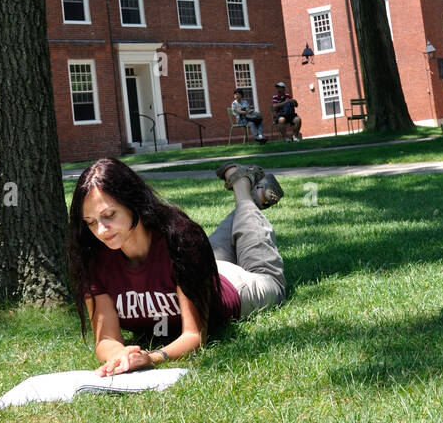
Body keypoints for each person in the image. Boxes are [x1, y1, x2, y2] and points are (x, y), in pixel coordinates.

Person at [69, 157, 287, 375]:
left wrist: (152, 357)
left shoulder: (180, 239)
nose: (101, 230)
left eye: (109, 215)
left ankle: (242, 187)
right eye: (91, 222)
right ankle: (253, 197)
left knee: (269, 277)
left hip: (235, 288)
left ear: (132, 202)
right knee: (213, 244)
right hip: (200, 267)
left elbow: (193, 336)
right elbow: (106, 338)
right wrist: (119, 354)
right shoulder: (93, 258)